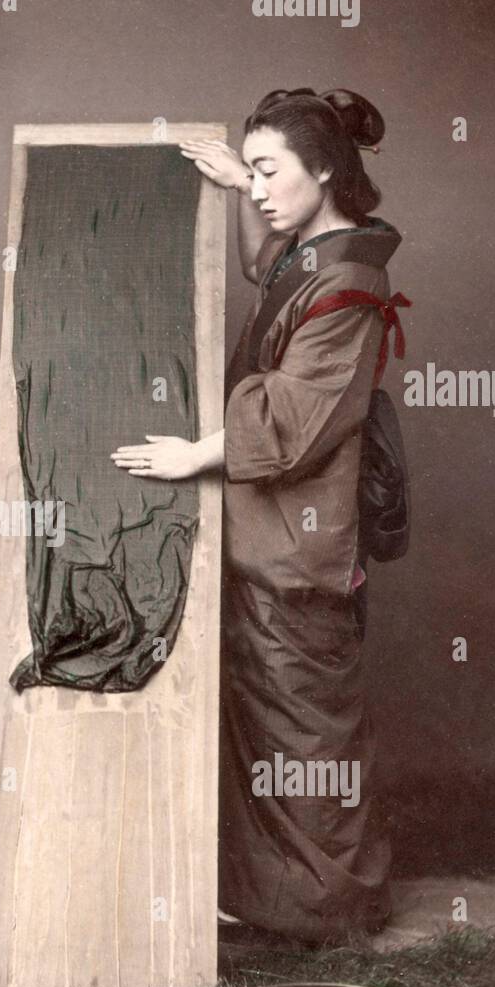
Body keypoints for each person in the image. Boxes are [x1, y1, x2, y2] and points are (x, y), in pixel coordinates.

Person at [112, 87, 408, 943]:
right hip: (273, 530)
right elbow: (264, 265)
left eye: (272, 172)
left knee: (305, 726)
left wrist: (194, 453)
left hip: (303, 536)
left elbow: (294, 417)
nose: (262, 192)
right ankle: (276, 901)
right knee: (266, 714)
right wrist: (237, 182)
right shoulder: (315, 250)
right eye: (255, 174)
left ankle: (335, 908)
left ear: (325, 168)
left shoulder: (353, 281)